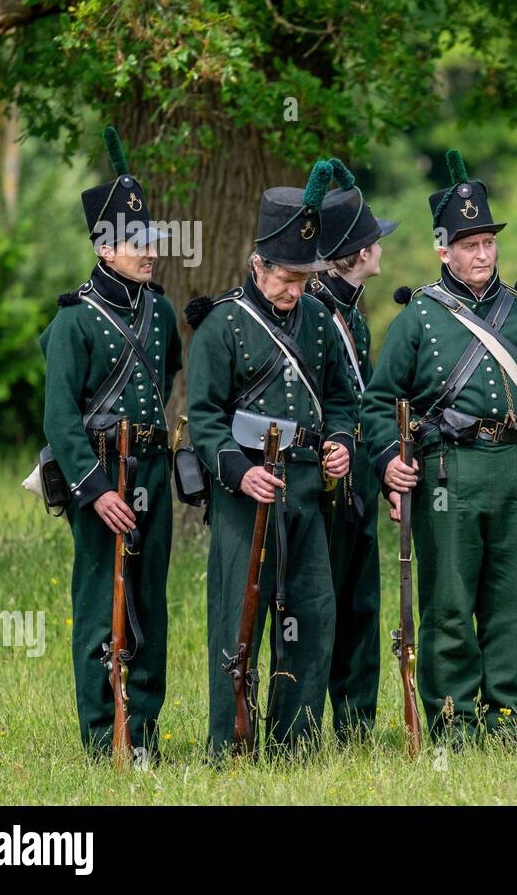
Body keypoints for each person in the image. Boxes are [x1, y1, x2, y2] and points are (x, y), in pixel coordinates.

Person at [365, 149, 517, 747]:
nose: (482, 254)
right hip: (445, 474)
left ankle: (508, 716)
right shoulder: (418, 318)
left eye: (488, 242)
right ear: (443, 249)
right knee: (450, 606)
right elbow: (379, 403)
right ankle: (453, 721)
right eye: (469, 244)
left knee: (515, 603)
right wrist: (391, 464)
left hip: (513, 471)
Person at [185, 160, 356, 758]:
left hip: (307, 489)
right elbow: (203, 418)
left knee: (311, 614)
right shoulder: (222, 325)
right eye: (286, 277)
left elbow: (341, 397)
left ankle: (298, 741)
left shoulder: (321, 323)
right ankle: (231, 742)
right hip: (243, 495)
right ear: (258, 265)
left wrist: (341, 444)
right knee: (239, 618)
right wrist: (237, 470)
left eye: (305, 278)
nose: (296, 290)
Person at [39, 126, 182, 762]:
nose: (150, 250)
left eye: (151, 238)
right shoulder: (72, 320)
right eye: (136, 241)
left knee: (149, 599)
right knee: (103, 603)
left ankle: (143, 730)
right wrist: (93, 491)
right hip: (98, 479)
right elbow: (59, 419)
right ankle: (104, 735)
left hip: (151, 468)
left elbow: (170, 372)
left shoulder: (163, 311)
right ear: (104, 249)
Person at [311, 157, 399, 744]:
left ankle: (357, 724)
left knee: (362, 603)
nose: (381, 247)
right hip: (326, 474)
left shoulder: (352, 307)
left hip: (362, 471)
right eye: (374, 240)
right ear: (360, 251)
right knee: (323, 604)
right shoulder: (317, 309)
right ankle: (303, 724)